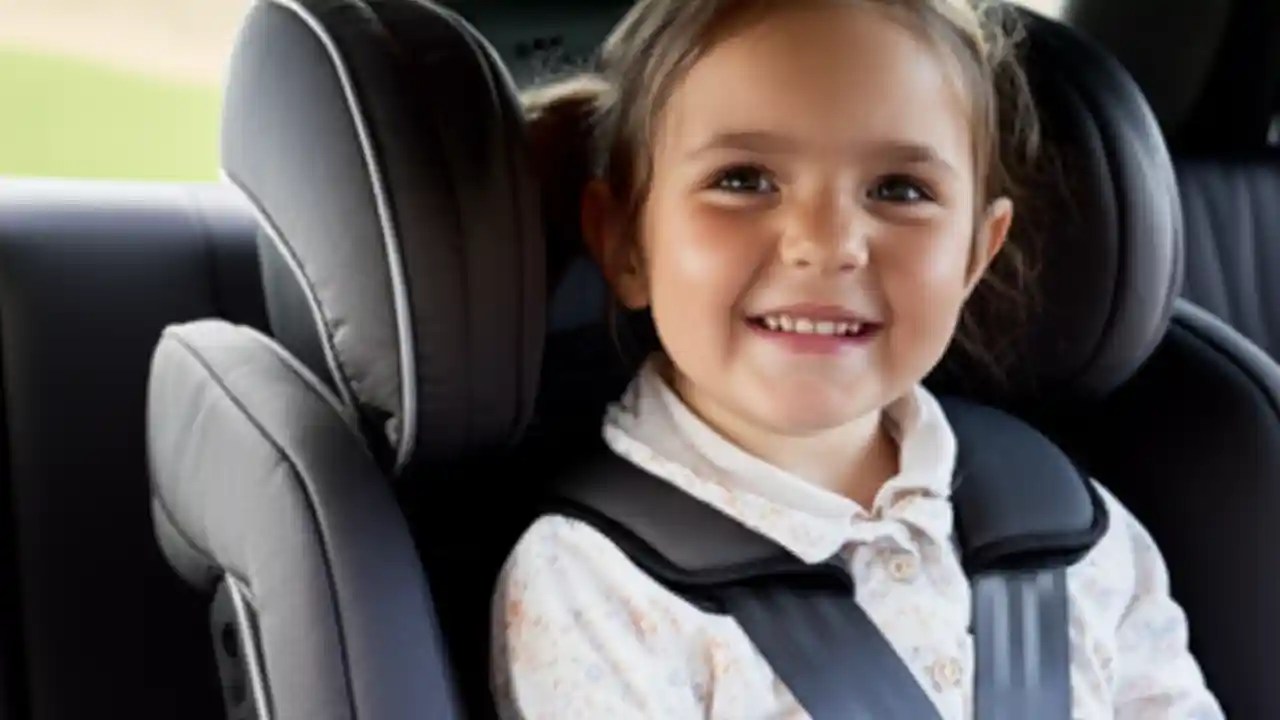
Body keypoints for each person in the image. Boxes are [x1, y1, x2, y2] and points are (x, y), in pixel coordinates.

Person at [491, 1, 1224, 717]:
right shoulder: (598, 585)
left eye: (899, 190)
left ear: (976, 255)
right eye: (744, 179)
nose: (829, 242)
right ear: (624, 241)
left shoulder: (1071, 531)